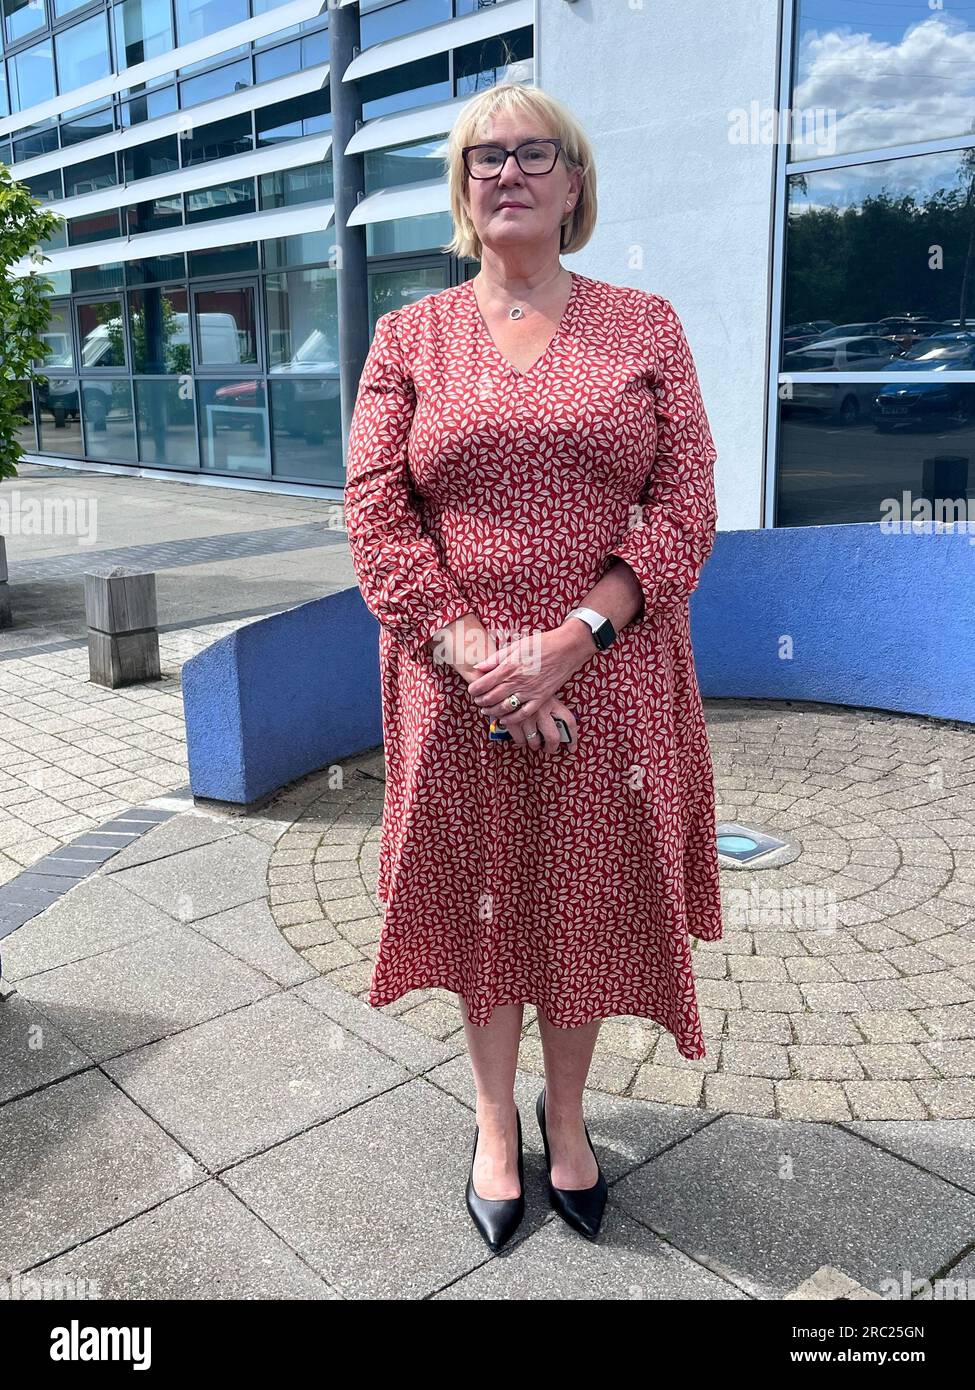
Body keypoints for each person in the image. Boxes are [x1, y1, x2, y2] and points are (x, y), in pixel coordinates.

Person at [343, 81, 721, 1251]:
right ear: (463, 192)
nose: (506, 172)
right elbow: (373, 512)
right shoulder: (410, 337)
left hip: (609, 683)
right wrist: (473, 652)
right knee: (480, 900)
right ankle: (495, 1121)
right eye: (481, 158)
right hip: (452, 689)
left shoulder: (645, 324)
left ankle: (570, 1121)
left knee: (584, 900)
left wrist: (570, 642)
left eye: (532, 154)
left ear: (574, 182)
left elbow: (688, 499)